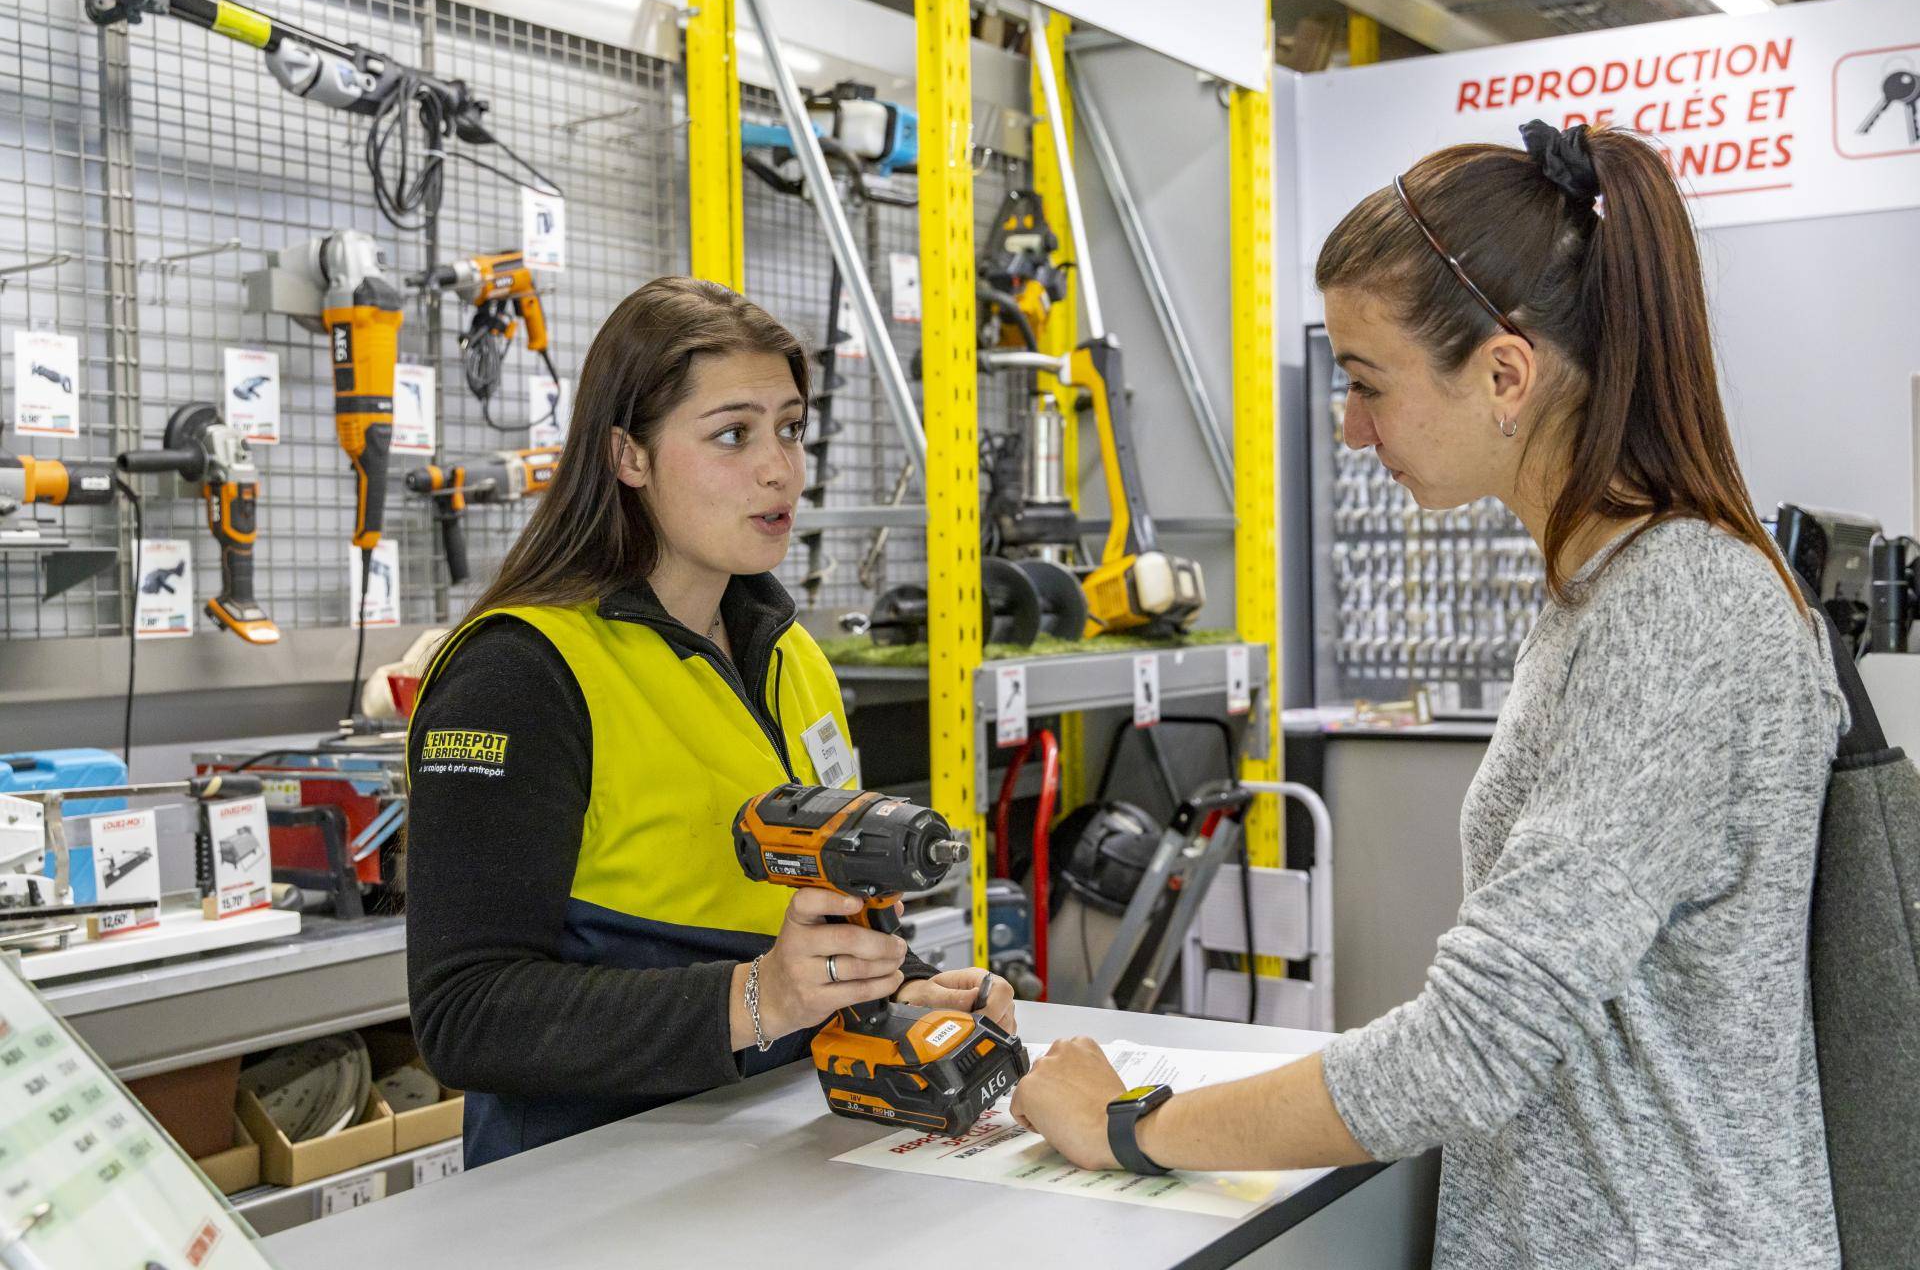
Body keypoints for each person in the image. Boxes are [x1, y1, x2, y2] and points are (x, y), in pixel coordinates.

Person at [1010, 122, 1844, 1267]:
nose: (1350, 427)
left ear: (1505, 373)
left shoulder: (1678, 604)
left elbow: (1472, 1045)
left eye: (1367, 382)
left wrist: (1129, 1126)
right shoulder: (1599, 593)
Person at [405, 276, 1016, 1167]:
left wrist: (907, 990)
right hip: (584, 1188)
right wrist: (758, 999)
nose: (780, 468)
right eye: (733, 434)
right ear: (629, 455)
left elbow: (819, 913)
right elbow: (466, 1017)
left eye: (791, 428)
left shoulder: (793, 657)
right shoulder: (518, 676)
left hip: (776, 1155)